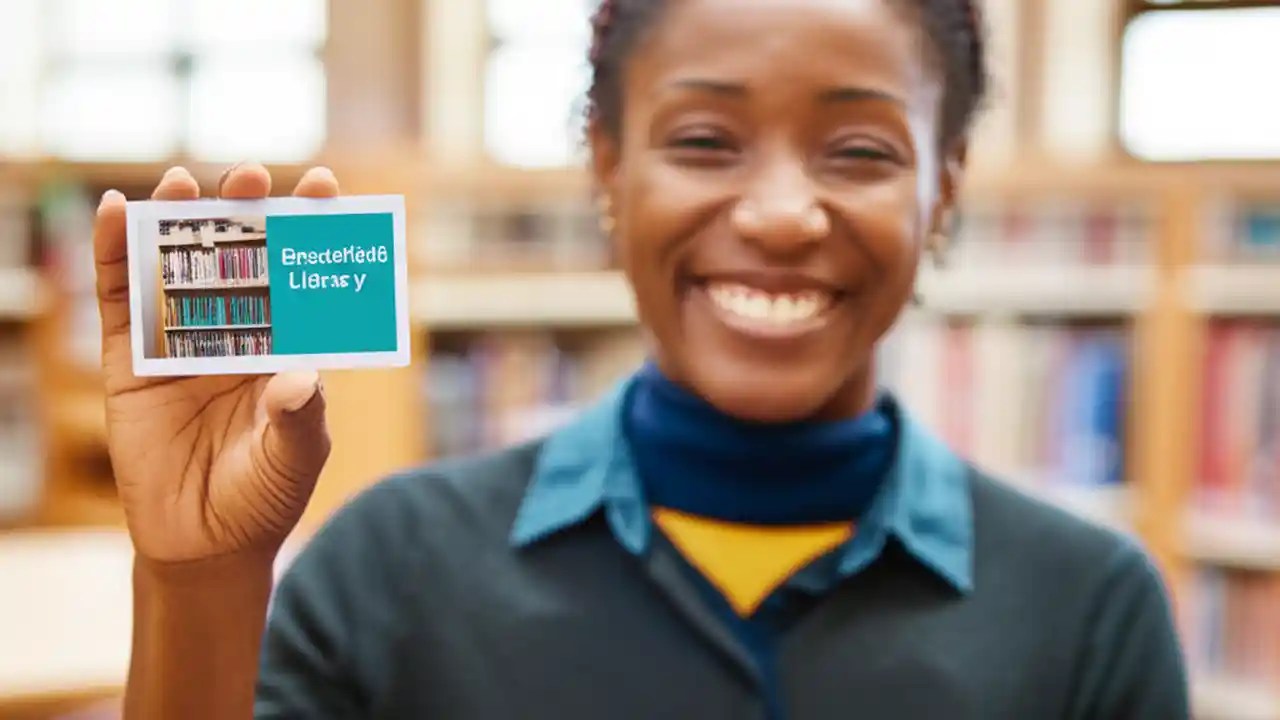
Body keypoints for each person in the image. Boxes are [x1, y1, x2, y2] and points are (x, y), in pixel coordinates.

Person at [93, 0, 1190, 718]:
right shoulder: (389, 570)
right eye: (703, 141)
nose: (776, 214)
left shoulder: (1086, 607)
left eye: (858, 152)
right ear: (606, 170)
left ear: (941, 189)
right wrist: (196, 585)